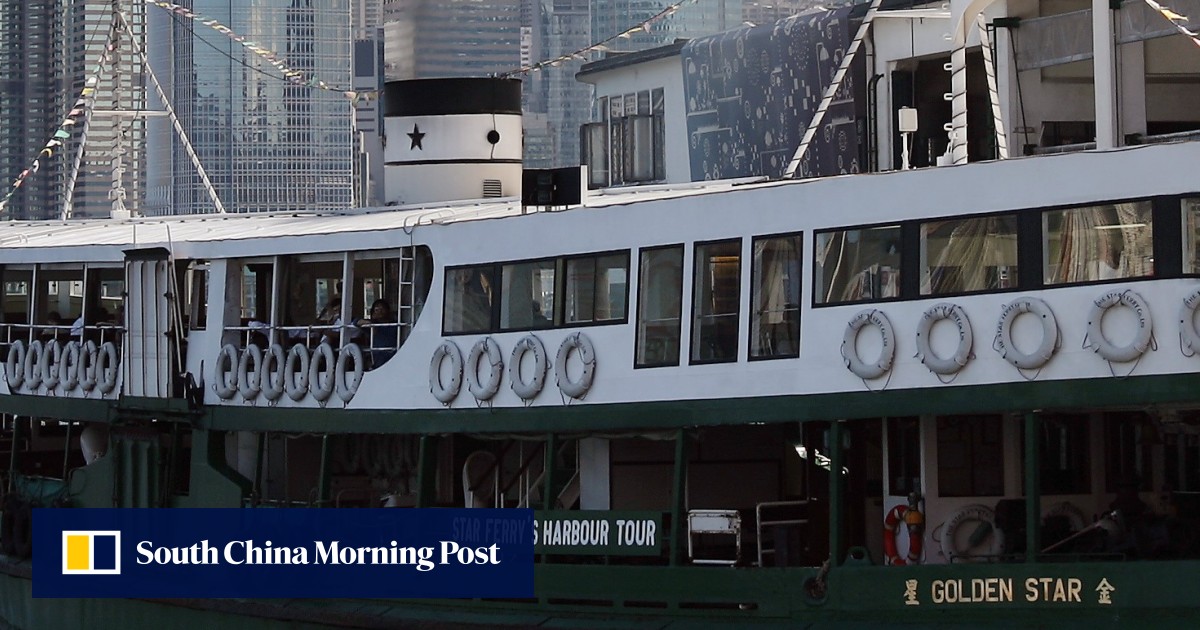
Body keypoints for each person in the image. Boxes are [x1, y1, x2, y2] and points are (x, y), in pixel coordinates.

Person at [357, 299, 398, 367]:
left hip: (393, 353)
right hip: (378, 355)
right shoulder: (372, 325)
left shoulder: (395, 324)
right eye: (377, 309)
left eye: (382, 309)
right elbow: (356, 322)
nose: (380, 311)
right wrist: (370, 324)